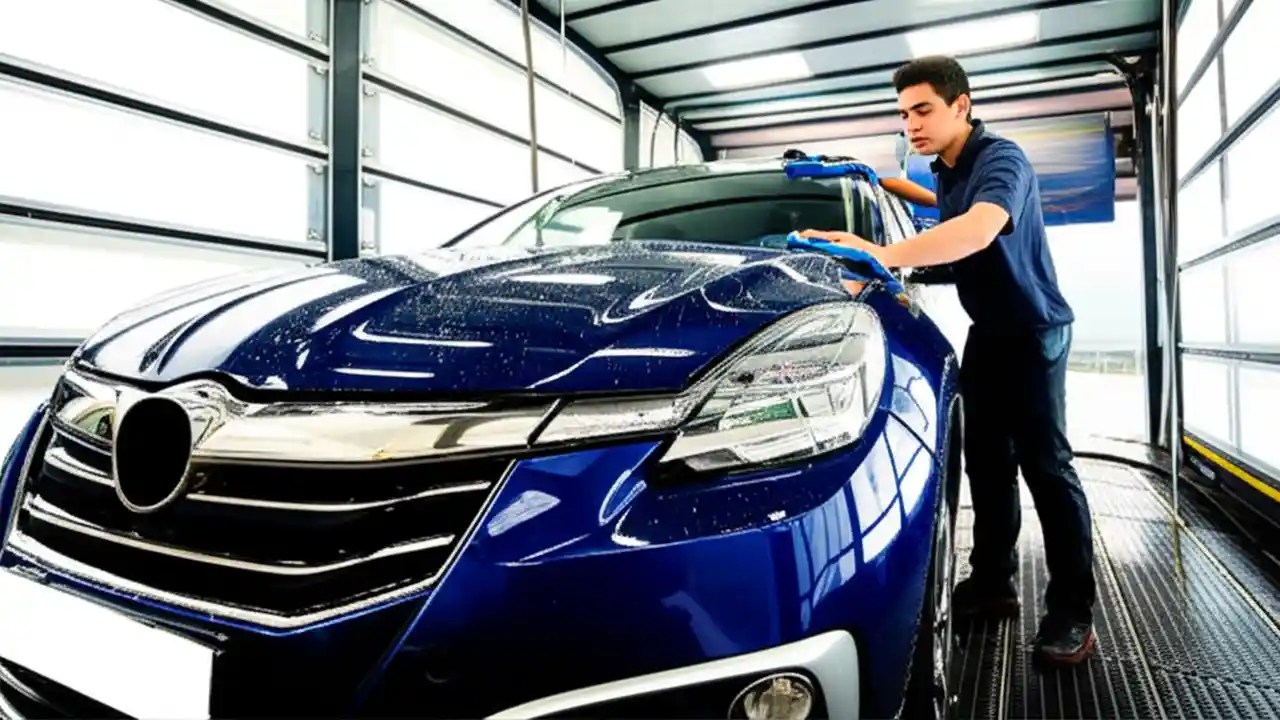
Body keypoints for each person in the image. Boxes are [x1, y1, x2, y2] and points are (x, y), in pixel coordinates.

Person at [799, 55, 1097, 666]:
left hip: (1035, 333)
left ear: (961, 105)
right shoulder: (947, 166)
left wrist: (880, 252)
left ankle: (1074, 614)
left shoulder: (1001, 160)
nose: (910, 124)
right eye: (903, 113)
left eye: (923, 110)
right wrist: (867, 178)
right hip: (991, 332)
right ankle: (992, 584)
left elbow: (977, 229)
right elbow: (939, 206)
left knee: (1047, 469)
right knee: (986, 462)